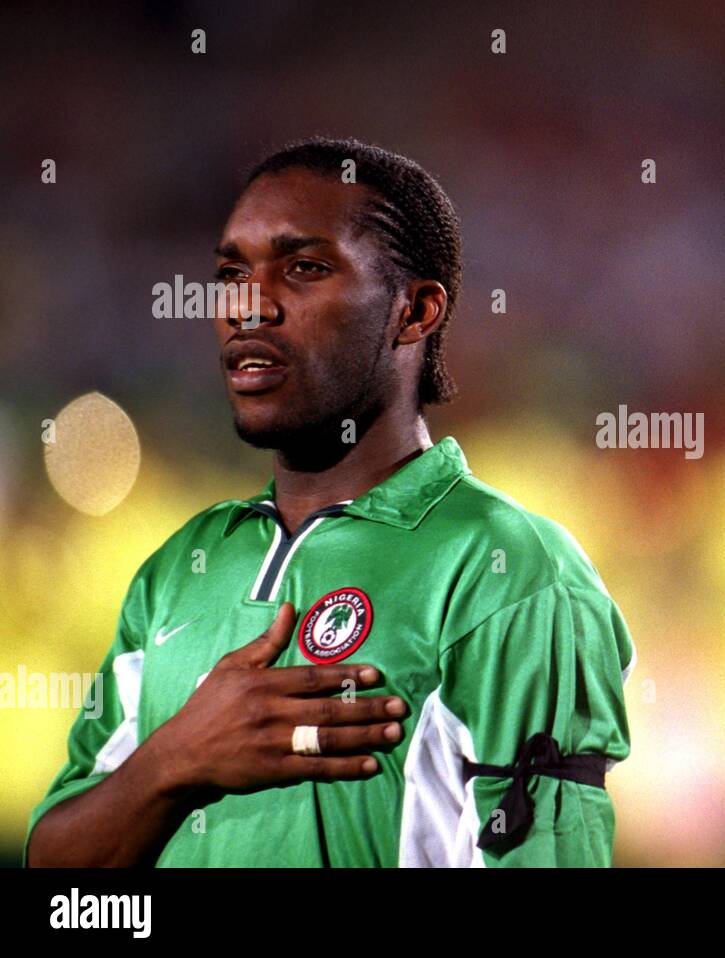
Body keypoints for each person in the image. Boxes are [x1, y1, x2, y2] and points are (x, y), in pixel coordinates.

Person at [26, 139, 634, 867]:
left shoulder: (507, 571)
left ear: (415, 311)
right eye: (230, 273)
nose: (248, 304)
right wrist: (174, 762)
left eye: (305, 268)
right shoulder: (175, 572)